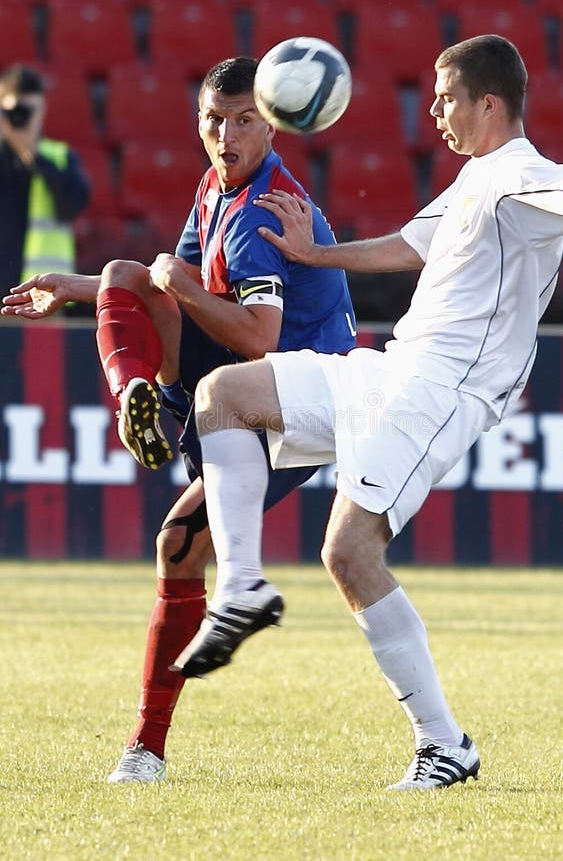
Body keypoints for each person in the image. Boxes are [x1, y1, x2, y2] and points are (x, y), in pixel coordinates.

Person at [172, 36, 563, 790]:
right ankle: (242, 586)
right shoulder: (476, 178)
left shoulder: (519, 174)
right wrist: (314, 255)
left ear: (488, 103)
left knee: (349, 553)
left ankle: (443, 744)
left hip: (442, 392)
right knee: (224, 395)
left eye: (446, 99)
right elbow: (411, 246)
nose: (435, 113)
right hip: (389, 369)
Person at [2, 57, 356, 783]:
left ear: (272, 126)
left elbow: (259, 335)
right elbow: (171, 288)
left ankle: (145, 750)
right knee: (124, 275)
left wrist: (172, 284)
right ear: (198, 121)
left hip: (294, 403)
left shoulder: (260, 212)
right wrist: (77, 288)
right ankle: (138, 401)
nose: (227, 136)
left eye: (245, 120)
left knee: (178, 545)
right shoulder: (215, 188)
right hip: (240, 386)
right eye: (214, 120)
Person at [0, 63, 90, 304]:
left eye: (28, 111)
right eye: (13, 111)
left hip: (43, 297)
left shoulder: (59, 157)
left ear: (42, 110)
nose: (21, 118)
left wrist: (33, 155)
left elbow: (72, 205)